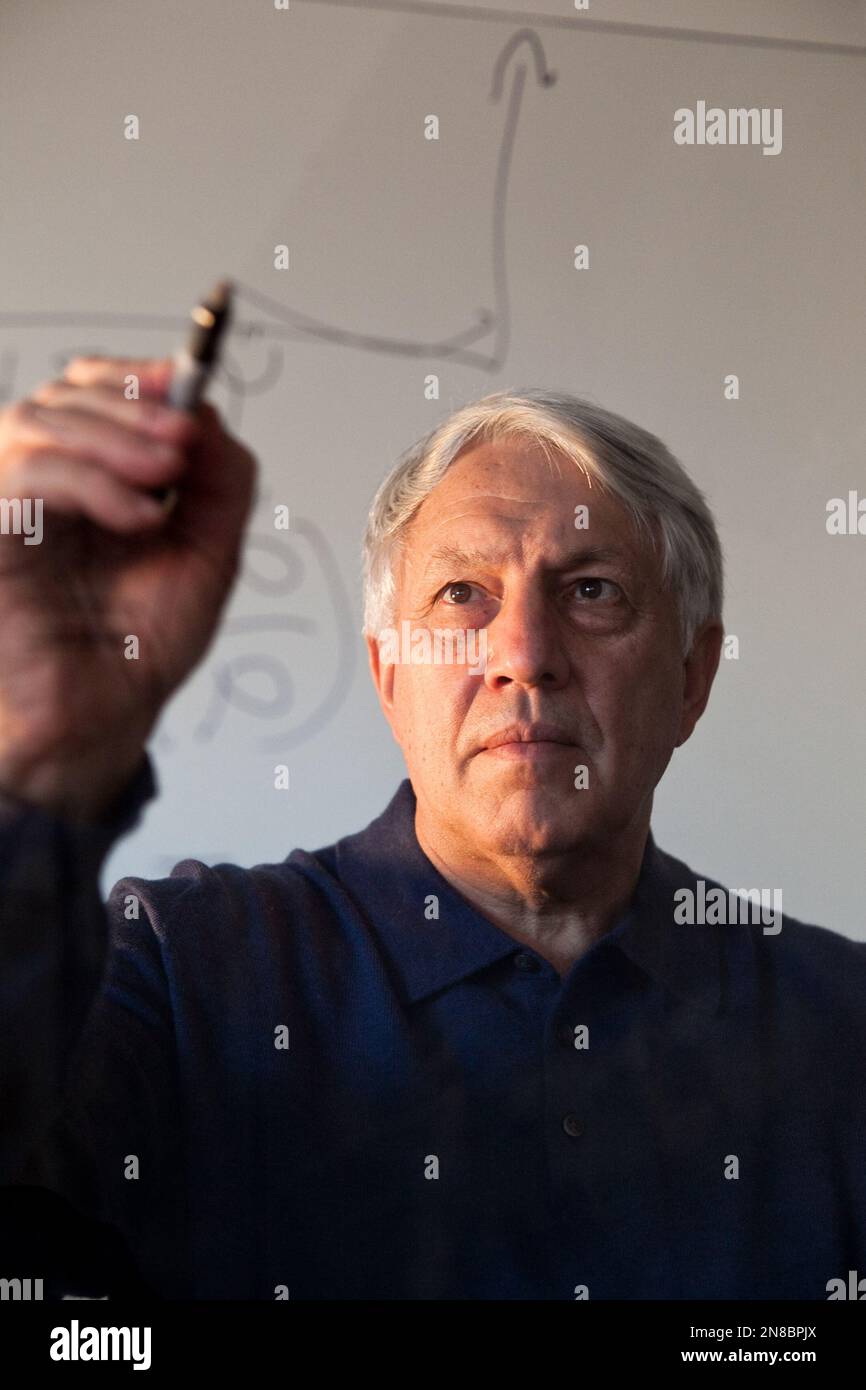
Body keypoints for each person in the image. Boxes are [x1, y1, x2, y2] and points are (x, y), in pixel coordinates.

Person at [1, 357, 863, 1300]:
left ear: (692, 678)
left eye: (592, 591)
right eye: (463, 595)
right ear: (387, 675)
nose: (526, 657)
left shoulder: (843, 1023)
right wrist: (31, 762)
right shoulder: (179, 975)